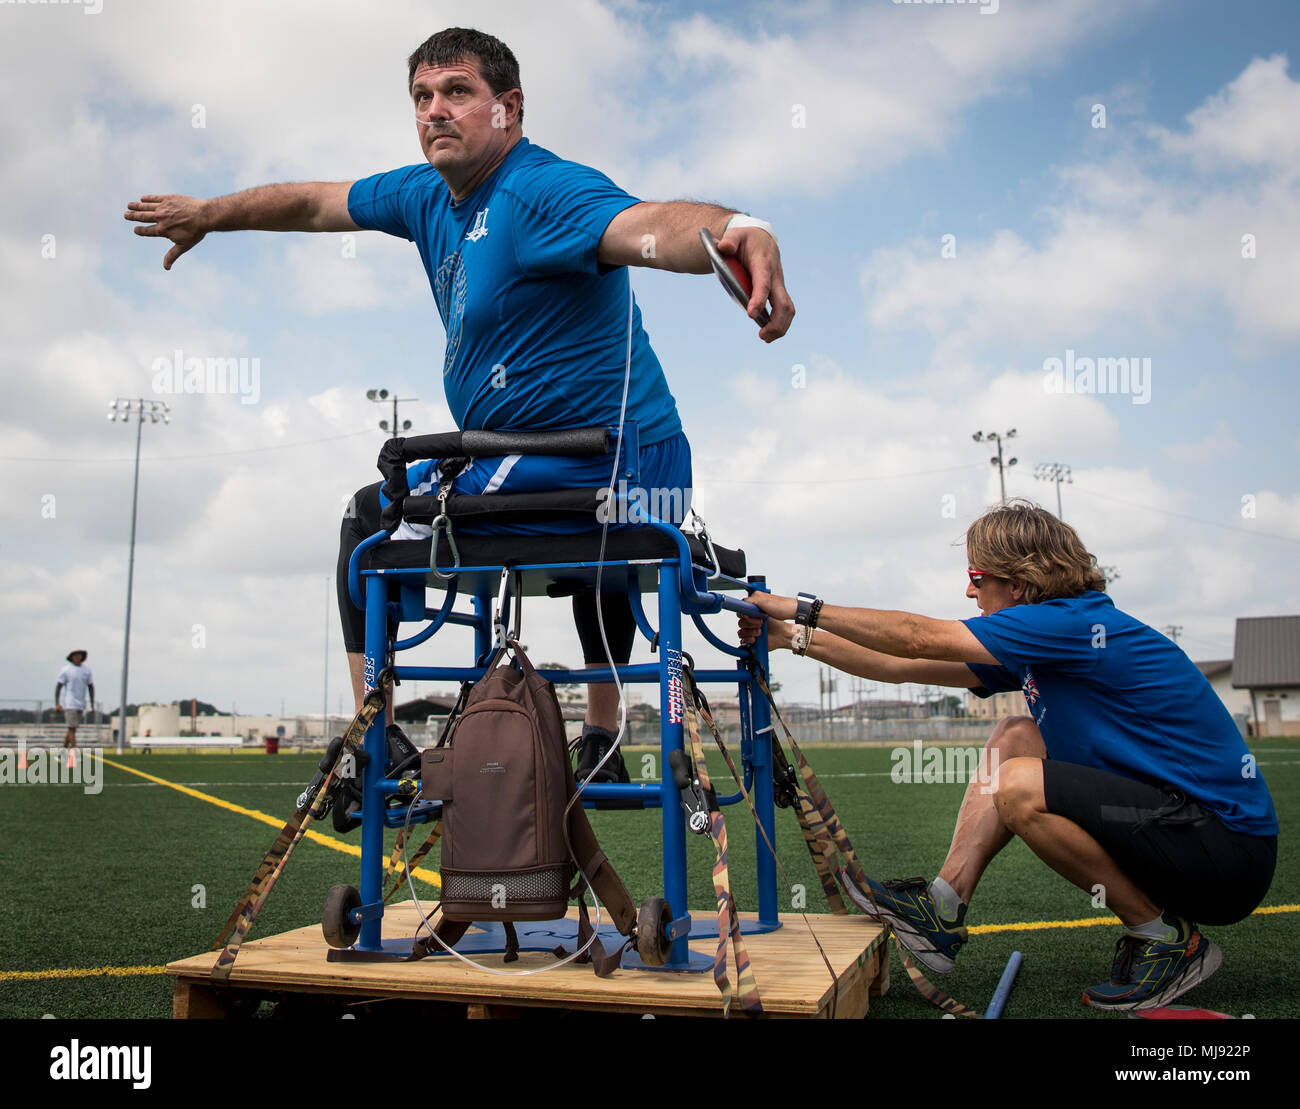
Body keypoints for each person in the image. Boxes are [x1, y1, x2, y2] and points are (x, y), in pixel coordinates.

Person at [125, 27, 794, 784]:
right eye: (422, 97)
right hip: (614, 457)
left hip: (601, 460)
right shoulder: (424, 192)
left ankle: (373, 738)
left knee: (367, 519)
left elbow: (646, 226)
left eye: (458, 93)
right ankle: (601, 740)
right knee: (580, 553)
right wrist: (212, 213)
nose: (435, 110)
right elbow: (315, 203)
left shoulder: (539, 190)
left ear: (508, 108)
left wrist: (740, 230)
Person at [738, 500, 1277, 1011]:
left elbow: (917, 637)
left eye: (977, 578)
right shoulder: (1044, 637)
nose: (970, 594)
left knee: (1018, 783)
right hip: (1179, 831)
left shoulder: (1069, 624)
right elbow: (902, 665)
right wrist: (794, 638)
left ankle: (1168, 943)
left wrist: (800, 606)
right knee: (1016, 735)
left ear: (1019, 583)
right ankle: (942, 911)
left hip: (1225, 853)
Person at [55, 650, 94, 749]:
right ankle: (74, 751)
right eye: (75, 655)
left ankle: (63, 750)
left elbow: (90, 687)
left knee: (73, 729)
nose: (77, 657)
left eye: (79, 655)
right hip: (70, 703)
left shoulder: (86, 671)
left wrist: (92, 704)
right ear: (71, 657)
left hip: (81, 703)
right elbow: (58, 686)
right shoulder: (66, 670)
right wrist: (57, 703)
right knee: (71, 728)